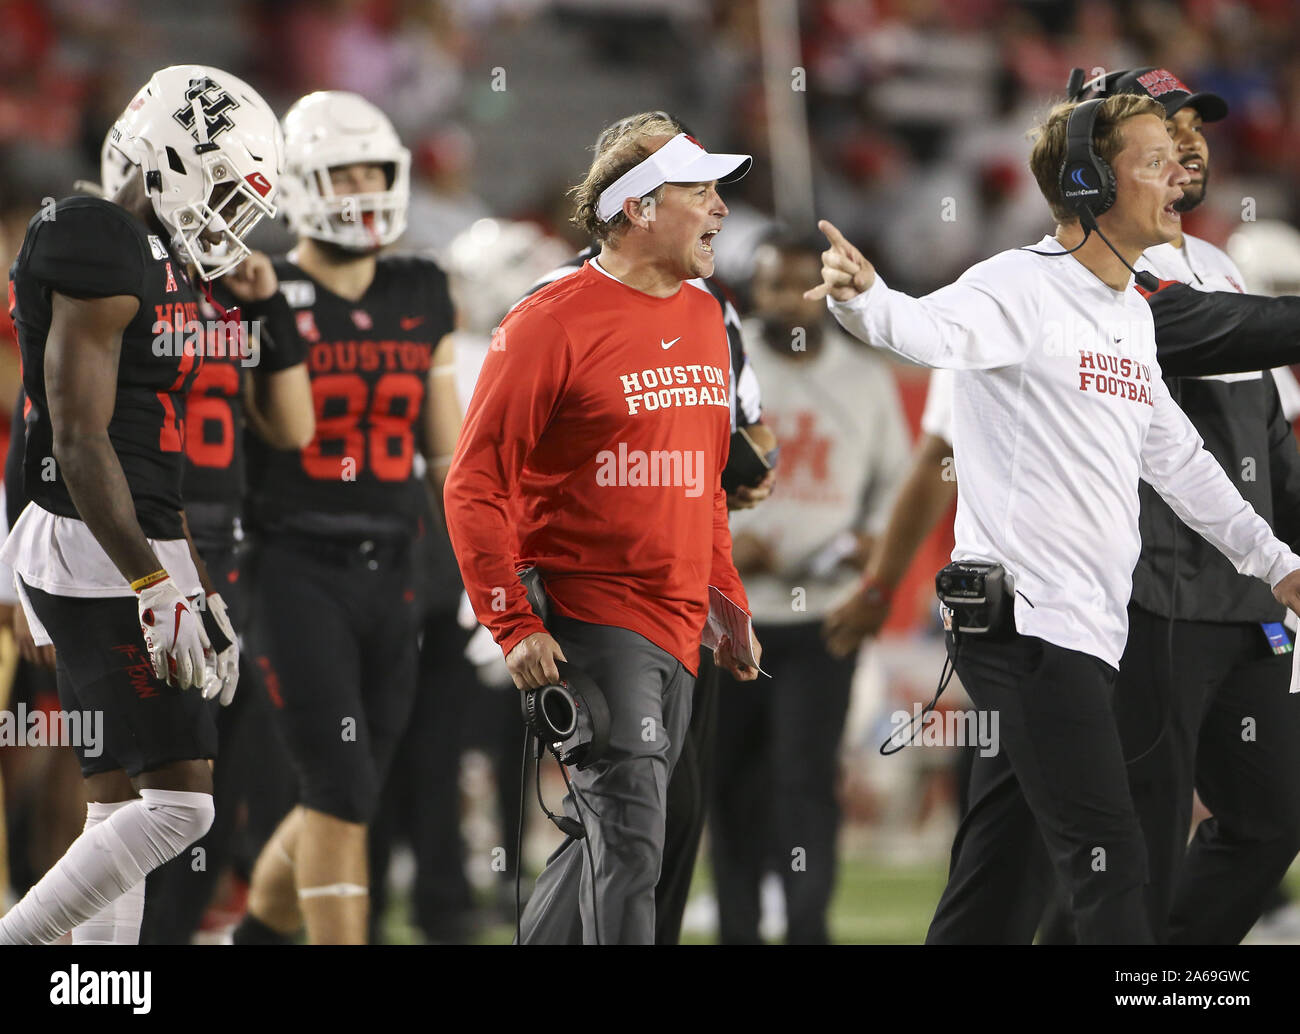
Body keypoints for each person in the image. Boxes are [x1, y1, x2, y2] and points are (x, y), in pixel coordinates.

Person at [806, 91, 1300, 944]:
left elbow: (1179, 459)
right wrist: (864, 299)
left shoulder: (1127, 315)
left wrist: (1275, 561)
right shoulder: (1020, 284)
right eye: (1151, 162)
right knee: (1112, 864)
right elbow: (925, 330)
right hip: (1029, 630)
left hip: (1086, 631)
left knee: (1001, 879)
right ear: (1088, 183)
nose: (1175, 176)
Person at [444, 113, 761, 945]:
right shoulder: (551, 319)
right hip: (595, 619)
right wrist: (510, 622)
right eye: (701, 192)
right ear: (641, 209)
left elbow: (706, 480)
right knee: (632, 843)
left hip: (681, 623)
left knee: (607, 839)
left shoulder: (703, 313)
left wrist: (724, 593)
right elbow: (475, 481)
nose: (722, 210)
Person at [0, 64, 282, 945]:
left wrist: (189, 581)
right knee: (180, 807)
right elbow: (75, 438)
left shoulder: (145, 250)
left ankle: (99, 993)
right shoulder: (96, 237)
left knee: (117, 799)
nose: (230, 220)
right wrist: (155, 581)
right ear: (172, 157)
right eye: (226, 191)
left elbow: (145, 446)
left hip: (125, 531)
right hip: (98, 537)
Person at [230, 91, 460, 946]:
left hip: (395, 562)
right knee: (337, 784)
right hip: (292, 561)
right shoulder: (264, 285)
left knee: (351, 787)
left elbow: (448, 457)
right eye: (342, 171)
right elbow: (275, 431)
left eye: (374, 170)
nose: (362, 188)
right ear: (298, 184)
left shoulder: (423, 288)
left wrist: (489, 567)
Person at [711, 235, 909, 944]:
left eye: (805, 284)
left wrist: (870, 540)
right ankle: (737, 928)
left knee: (804, 783)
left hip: (823, 616)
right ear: (750, 294)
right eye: (773, 285)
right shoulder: (723, 372)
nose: (790, 299)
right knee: (730, 788)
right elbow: (678, 475)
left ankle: (806, 930)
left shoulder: (865, 375)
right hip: (734, 617)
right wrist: (728, 540)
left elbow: (900, 480)